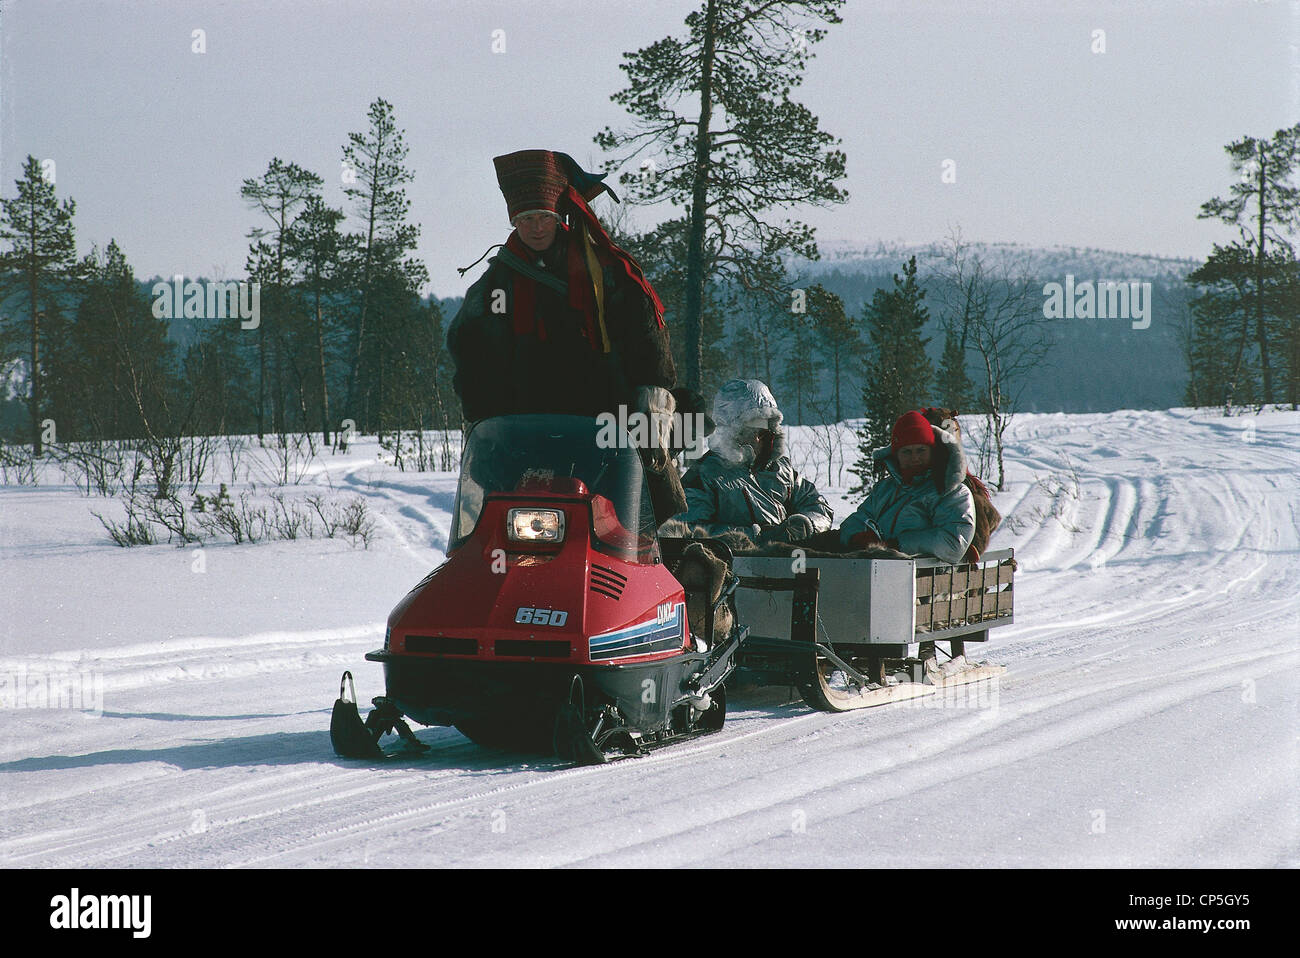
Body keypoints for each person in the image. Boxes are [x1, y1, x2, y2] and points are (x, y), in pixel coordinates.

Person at [447, 149, 684, 520]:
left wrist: (649, 407)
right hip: (525, 434)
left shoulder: (606, 272)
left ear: (559, 216)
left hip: (610, 429)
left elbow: (647, 339)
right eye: (526, 219)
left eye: (543, 217)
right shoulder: (498, 285)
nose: (536, 227)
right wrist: (487, 425)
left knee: (625, 530)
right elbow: (474, 357)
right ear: (514, 222)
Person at [665, 379, 833, 542]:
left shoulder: (781, 469)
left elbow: (818, 506)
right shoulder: (706, 474)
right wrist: (755, 536)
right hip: (735, 567)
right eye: (751, 429)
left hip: (789, 563)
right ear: (732, 431)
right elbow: (689, 529)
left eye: (765, 429)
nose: (759, 438)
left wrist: (806, 523)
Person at [839, 409, 975, 565]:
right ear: (896, 454)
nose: (915, 458)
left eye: (921, 450)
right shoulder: (885, 489)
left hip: (928, 577)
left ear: (932, 451)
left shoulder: (950, 491)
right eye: (907, 452)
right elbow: (858, 519)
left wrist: (898, 545)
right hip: (880, 570)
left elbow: (953, 542)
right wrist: (859, 536)